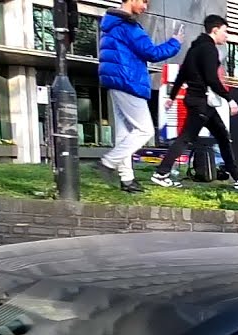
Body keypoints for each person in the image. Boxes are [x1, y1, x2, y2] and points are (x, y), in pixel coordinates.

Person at [151, 15, 238, 191]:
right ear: (215, 30)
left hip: (200, 102)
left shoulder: (194, 49)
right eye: (225, 31)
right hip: (201, 102)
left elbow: (182, 74)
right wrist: (229, 99)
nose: (227, 36)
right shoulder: (209, 50)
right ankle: (161, 173)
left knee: (222, 136)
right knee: (186, 138)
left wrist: (172, 97)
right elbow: (212, 79)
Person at [97, 0, 182, 193]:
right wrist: (175, 42)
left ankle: (127, 180)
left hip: (116, 80)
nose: (145, 7)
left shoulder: (111, 23)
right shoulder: (127, 25)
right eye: (144, 1)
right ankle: (107, 162)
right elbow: (151, 52)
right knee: (145, 130)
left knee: (124, 134)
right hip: (129, 80)